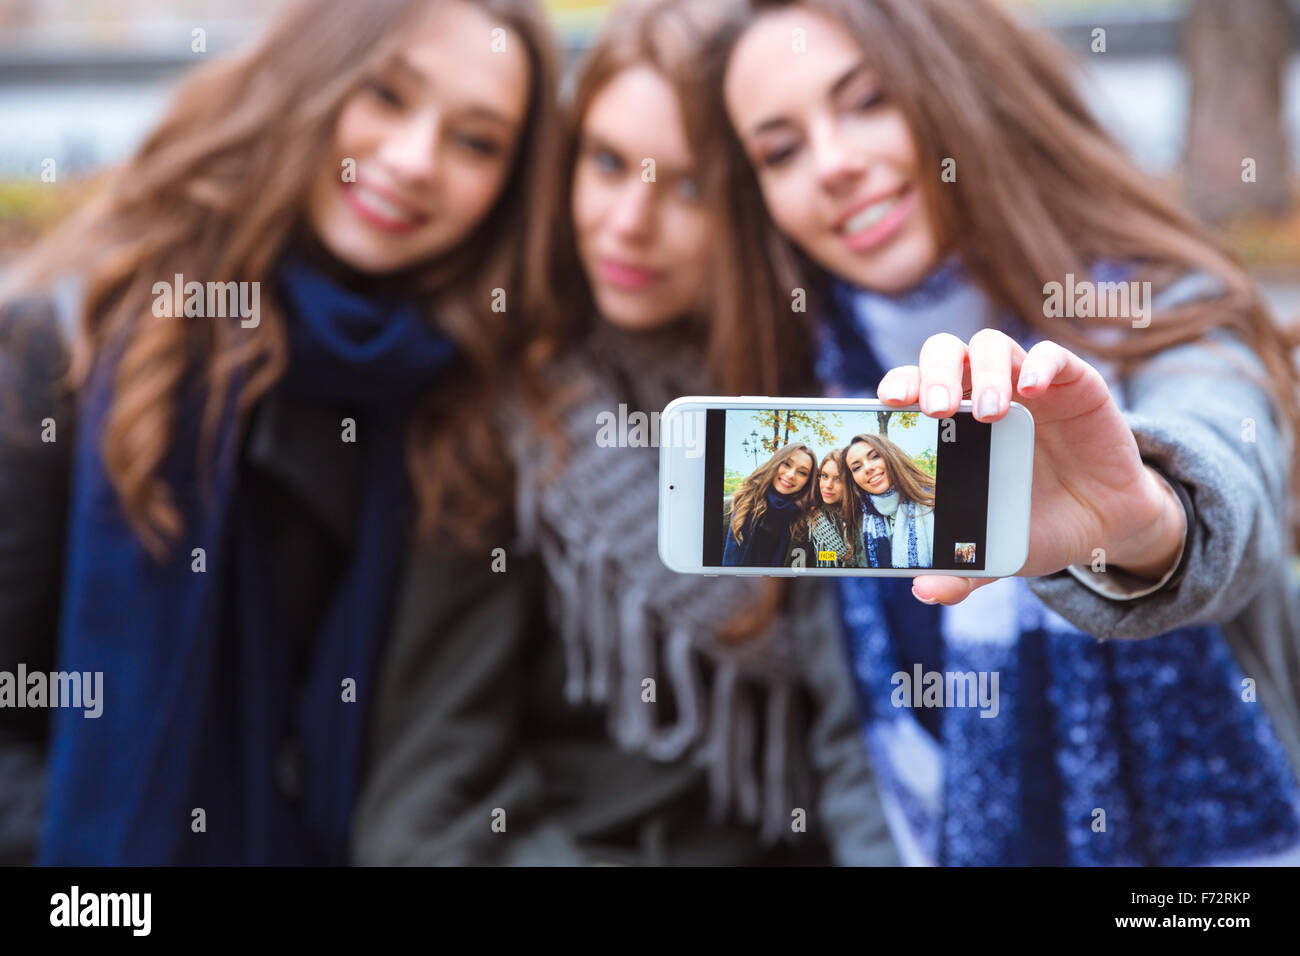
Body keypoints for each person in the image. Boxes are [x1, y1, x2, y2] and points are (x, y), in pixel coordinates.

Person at [709, 0, 1300, 864]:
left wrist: (1142, 519)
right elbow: (852, 746)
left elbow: (1226, 485)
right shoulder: (798, 407)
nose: (832, 163)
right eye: (781, 149)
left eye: (868, 100)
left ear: (963, 90)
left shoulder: (1162, 308)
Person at [0, 0, 561, 865]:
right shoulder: (69, 347)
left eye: (476, 142)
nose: (414, 161)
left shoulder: (478, 401)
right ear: (306, 81)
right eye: (386, 95)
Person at [351, 0, 900, 865]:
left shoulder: (820, 400)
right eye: (605, 163)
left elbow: (857, 750)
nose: (627, 223)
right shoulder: (513, 412)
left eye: (687, 186)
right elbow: (426, 797)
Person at [841, 433, 934, 569]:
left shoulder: (933, 499)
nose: (868, 468)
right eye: (857, 468)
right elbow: (850, 561)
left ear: (891, 456)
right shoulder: (857, 519)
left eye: (875, 456)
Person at [724, 443, 818, 567]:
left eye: (802, 472)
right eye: (786, 464)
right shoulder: (732, 507)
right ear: (775, 463)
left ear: (808, 482)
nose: (791, 475)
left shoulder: (807, 524)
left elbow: (822, 559)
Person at [800, 448, 861, 568]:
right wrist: (834, 555)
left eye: (838, 479)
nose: (828, 485)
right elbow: (804, 562)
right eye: (824, 476)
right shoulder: (809, 518)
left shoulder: (862, 518)